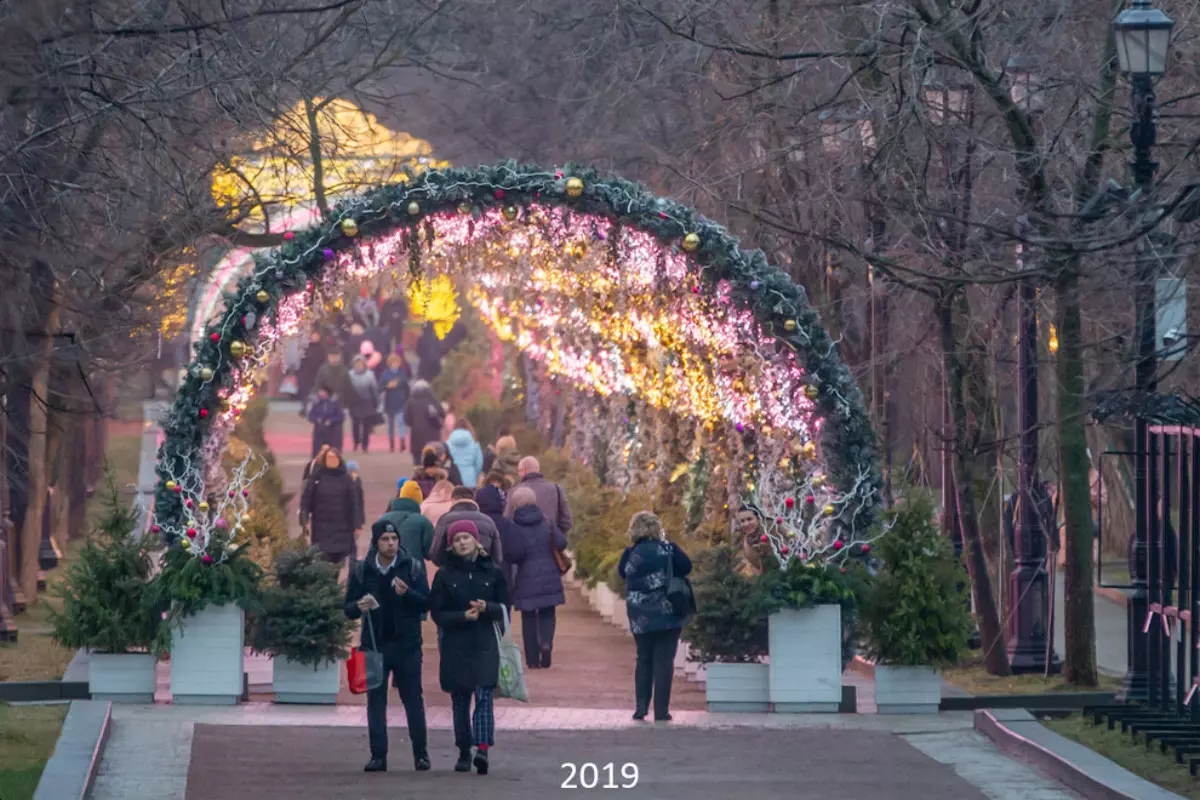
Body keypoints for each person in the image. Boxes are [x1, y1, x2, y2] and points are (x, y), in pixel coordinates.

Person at [344, 518, 430, 773]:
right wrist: (358, 606)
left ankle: (421, 755)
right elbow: (348, 608)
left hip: (407, 645)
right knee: (375, 701)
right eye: (385, 539)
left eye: (394, 539)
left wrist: (408, 594)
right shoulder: (363, 569)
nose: (391, 544)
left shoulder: (412, 566)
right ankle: (378, 756)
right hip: (374, 645)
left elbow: (426, 603)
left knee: (413, 700)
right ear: (376, 542)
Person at [428, 520, 508, 775]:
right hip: (456, 644)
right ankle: (464, 750)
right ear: (451, 545)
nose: (462, 542)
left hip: (485, 643)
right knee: (460, 699)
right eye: (457, 539)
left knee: (484, 697)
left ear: (477, 541)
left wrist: (489, 609)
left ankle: (482, 749)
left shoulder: (493, 572)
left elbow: (505, 608)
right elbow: (438, 613)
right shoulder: (444, 574)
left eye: (467, 538)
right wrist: (462, 616)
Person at [618, 511, 693, 722]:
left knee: (643, 658)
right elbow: (687, 567)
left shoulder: (630, 553)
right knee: (663, 661)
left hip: (639, 614)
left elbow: (622, 573)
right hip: (667, 612)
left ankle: (641, 707)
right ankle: (661, 711)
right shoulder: (668, 550)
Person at [506, 486, 567, 670]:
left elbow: (512, 553)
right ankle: (546, 642)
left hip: (524, 577)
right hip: (549, 575)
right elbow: (562, 543)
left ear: (515, 505)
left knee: (528, 617)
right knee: (548, 612)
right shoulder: (546, 522)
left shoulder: (513, 526)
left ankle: (532, 658)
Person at [299, 448, 363, 570]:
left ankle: (333, 585)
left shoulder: (346, 479)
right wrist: (304, 518)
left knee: (337, 563)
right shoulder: (316, 477)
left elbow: (354, 504)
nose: (332, 461)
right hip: (321, 528)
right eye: (329, 458)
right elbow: (306, 500)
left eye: (334, 458)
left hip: (342, 528)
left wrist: (357, 524)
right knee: (322, 560)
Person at [430, 486, 502, 566]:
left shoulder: (445, 519)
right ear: (473, 499)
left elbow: (435, 553)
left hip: (454, 572)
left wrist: (447, 567)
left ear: (453, 500)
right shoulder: (488, 520)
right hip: (482, 572)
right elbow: (498, 557)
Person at [503, 456, 573, 535]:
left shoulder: (514, 492)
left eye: (519, 471)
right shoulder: (556, 489)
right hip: (550, 543)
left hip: (523, 543)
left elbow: (507, 523)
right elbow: (567, 522)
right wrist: (555, 536)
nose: (518, 474)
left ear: (524, 471)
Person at [476, 484, 523, 591]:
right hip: (503, 578)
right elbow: (517, 552)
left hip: (477, 581)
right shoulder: (507, 524)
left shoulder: (472, 524)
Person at [378, 480, 435, 565]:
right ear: (419, 500)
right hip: (414, 570)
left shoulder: (383, 519)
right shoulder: (423, 522)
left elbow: (374, 548)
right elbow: (429, 553)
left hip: (386, 570)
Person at [379, 351, 412, 453]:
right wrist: (387, 386)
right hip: (389, 402)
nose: (394, 364)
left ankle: (402, 442)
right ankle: (391, 443)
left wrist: (408, 399)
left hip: (400, 401)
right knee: (391, 424)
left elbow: (406, 387)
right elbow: (380, 387)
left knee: (401, 422)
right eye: (392, 362)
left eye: (396, 362)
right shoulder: (385, 374)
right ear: (389, 363)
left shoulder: (402, 373)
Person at [347, 355, 380, 453]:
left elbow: (374, 390)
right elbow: (347, 389)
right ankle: (356, 442)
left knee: (366, 425)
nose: (359, 366)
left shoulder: (370, 375)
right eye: (357, 364)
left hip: (367, 402)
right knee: (355, 425)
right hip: (355, 402)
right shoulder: (350, 375)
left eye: (361, 364)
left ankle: (365, 445)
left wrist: (376, 403)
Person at [404, 379, 445, 457]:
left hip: (416, 436)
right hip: (433, 437)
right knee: (432, 459)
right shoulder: (433, 401)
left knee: (417, 460)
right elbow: (442, 414)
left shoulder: (410, 402)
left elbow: (407, 420)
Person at [295, 330, 327, 417]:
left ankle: (317, 410)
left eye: (316, 335)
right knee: (305, 392)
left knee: (317, 392)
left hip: (317, 373)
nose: (315, 337)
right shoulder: (305, 347)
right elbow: (301, 361)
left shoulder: (322, 348)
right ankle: (304, 408)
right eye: (313, 335)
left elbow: (324, 361)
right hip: (306, 373)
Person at [307, 386, 345, 456]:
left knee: (331, 451)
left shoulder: (334, 403)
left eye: (322, 391)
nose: (319, 393)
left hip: (331, 431)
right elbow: (310, 416)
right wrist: (316, 419)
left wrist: (331, 421)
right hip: (319, 430)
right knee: (317, 451)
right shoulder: (317, 403)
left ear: (326, 393)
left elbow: (340, 416)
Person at [735, 505, 772, 576]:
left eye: (749, 519)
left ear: (758, 518)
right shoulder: (744, 539)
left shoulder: (771, 530)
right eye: (742, 521)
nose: (746, 524)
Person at [446, 421, 484, 488]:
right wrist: (475, 476)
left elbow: (446, 463)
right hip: (470, 481)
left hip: (452, 482)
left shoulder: (447, 444)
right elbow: (479, 464)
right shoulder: (475, 444)